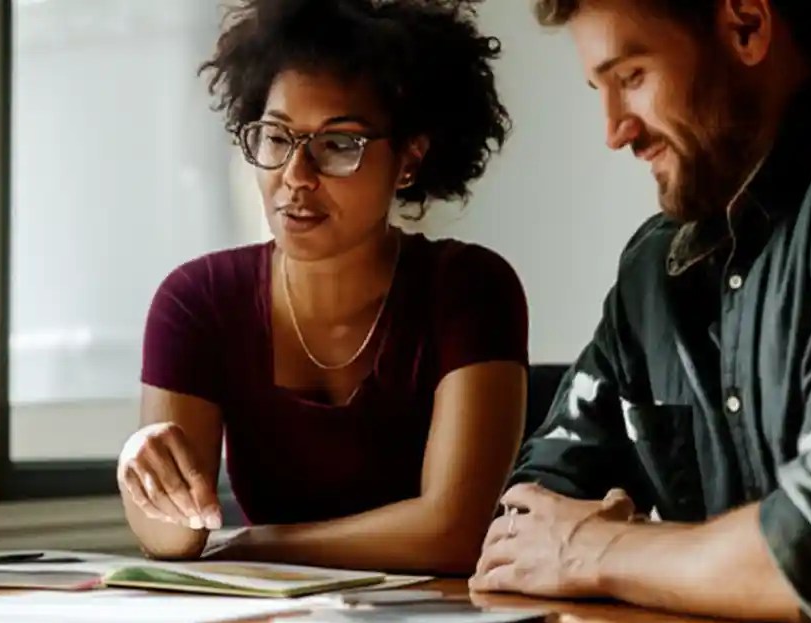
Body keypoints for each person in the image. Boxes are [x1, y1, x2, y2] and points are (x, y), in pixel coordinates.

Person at [471, 0, 811, 623]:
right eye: (600, 89)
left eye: (633, 78)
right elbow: (519, 534)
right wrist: (670, 557)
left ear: (746, 27)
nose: (615, 130)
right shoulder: (653, 268)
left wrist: (599, 552)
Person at [118, 0, 529, 575]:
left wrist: (257, 545)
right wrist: (142, 474)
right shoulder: (197, 300)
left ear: (409, 158)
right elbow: (178, 540)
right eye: (276, 137)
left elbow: (454, 532)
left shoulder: (470, 288)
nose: (296, 175)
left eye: (339, 145)